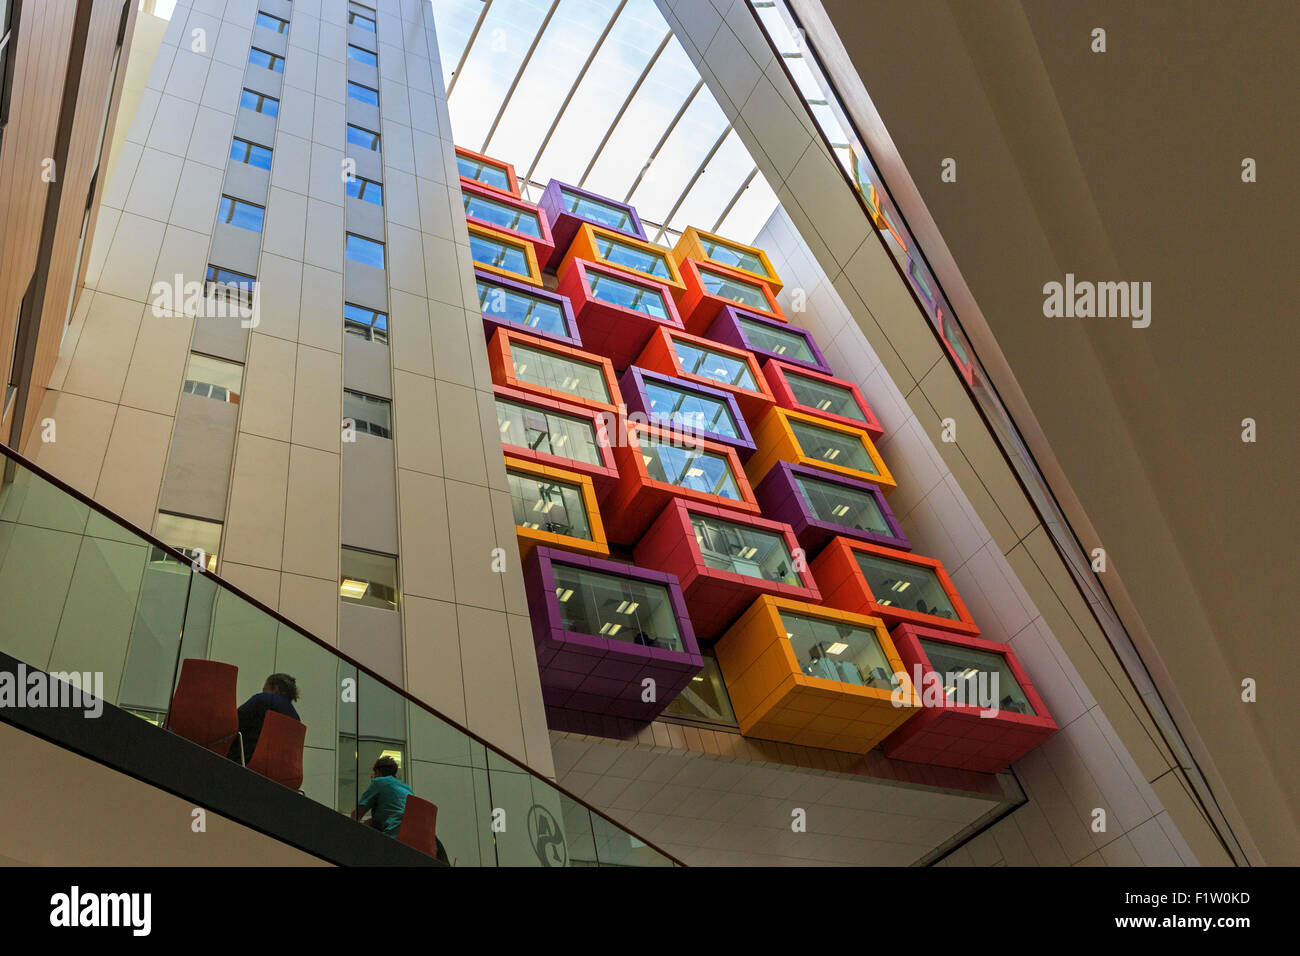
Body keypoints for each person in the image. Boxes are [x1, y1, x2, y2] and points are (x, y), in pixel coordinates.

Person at [352, 757, 451, 863]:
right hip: (424, 843)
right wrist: (371, 821)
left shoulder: (379, 782)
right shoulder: (407, 788)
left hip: (396, 838)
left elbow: (357, 814)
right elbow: (397, 812)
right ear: (395, 774)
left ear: (378, 772)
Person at [230, 673, 300, 764]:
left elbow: (233, 722)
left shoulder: (264, 699)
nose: (263, 692)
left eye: (264, 689)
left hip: (249, 762)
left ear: (275, 688)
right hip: (279, 771)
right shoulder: (296, 718)